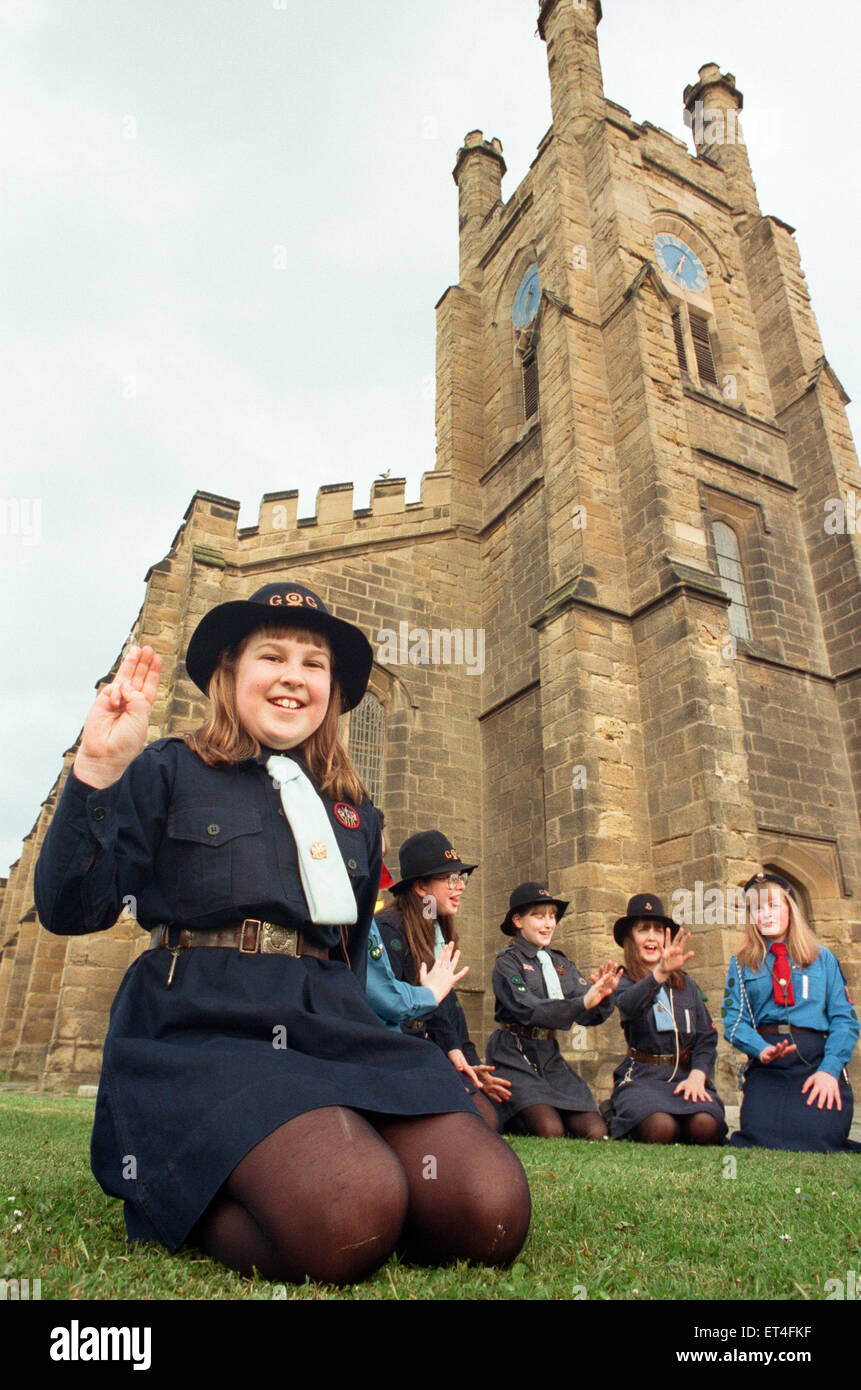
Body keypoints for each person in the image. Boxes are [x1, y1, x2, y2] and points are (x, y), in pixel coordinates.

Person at [34, 581, 531, 1284]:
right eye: (271, 656)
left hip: (328, 1021)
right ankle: (183, 1188)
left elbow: (352, 950)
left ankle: (332, 1156)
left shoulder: (357, 811)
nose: (294, 677)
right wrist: (98, 771)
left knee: (490, 1213)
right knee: (347, 1220)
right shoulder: (167, 769)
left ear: (332, 689)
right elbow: (68, 909)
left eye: (313, 663)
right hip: (202, 1023)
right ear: (229, 673)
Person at [375, 830, 511, 1130]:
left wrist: (463, 1057)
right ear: (421, 887)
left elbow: (447, 1010)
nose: (460, 886)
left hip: (436, 1052)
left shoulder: (436, 926)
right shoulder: (387, 930)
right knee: (473, 1122)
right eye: (449, 879)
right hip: (398, 1059)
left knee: (490, 1119)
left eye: (461, 877)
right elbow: (386, 1016)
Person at [723, 870, 860, 1152]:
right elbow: (734, 1021)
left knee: (818, 1136)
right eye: (757, 908)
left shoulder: (823, 959)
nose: (765, 914)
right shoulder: (741, 964)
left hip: (815, 1060)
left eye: (773, 905)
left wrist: (829, 1070)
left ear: (790, 909)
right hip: (768, 1064)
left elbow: (844, 1021)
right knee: (760, 1136)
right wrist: (760, 1049)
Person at [485, 882, 622, 1139]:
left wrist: (603, 997)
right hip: (513, 1053)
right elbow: (529, 1009)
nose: (549, 924)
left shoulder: (560, 963)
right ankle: (507, 1112)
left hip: (549, 1055)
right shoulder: (507, 962)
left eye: (552, 916)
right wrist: (583, 1002)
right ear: (517, 920)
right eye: (539, 916)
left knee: (595, 1131)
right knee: (550, 1129)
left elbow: (586, 1011)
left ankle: (548, 1108)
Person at [609, 894, 726, 1144]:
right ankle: (616, 1111)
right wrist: (659, 972)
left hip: (685, 1077)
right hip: (643, 1077)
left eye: (658, 930)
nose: (652, 937)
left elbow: (706, 1037)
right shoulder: (623, 979)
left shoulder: (686, 984)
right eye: (643, 930)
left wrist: (698, 1075)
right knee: (660, 1128)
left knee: (705, 1127)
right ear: (631, 938)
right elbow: (629, 1005)